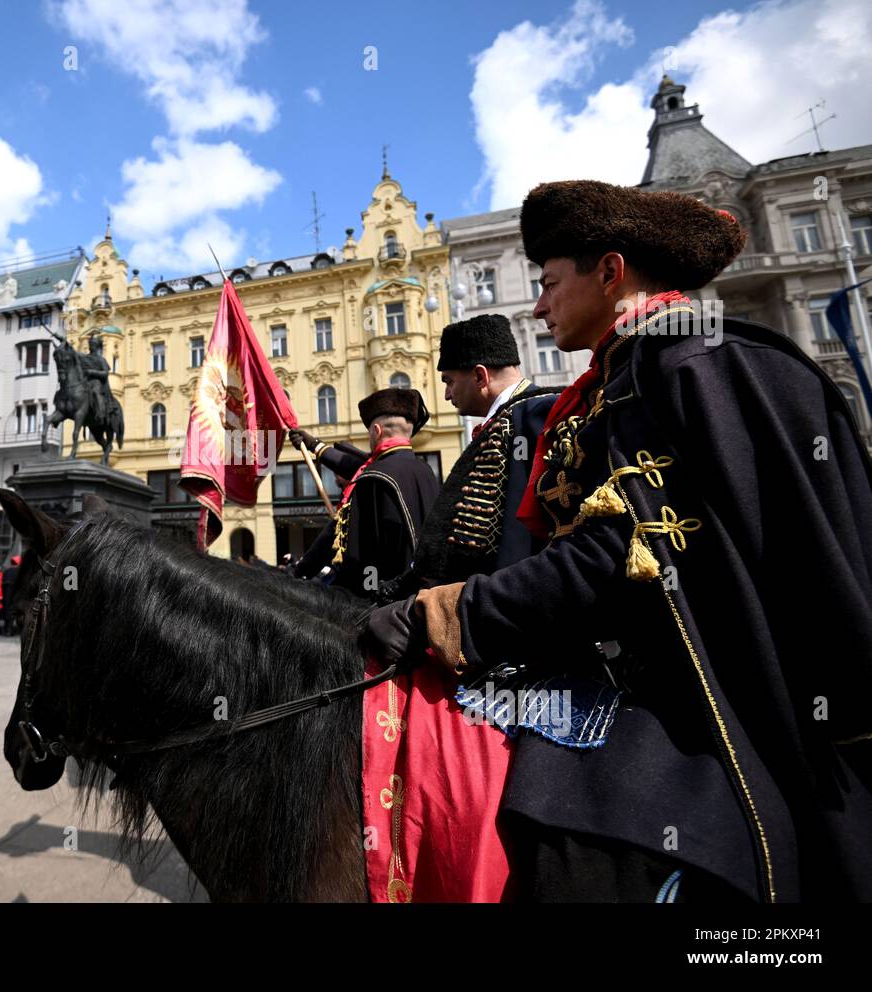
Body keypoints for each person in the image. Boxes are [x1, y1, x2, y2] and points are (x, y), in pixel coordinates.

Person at [369, 179, 872, 902]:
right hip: (666, 675)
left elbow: (618, 556)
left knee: (566, 834)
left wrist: (445, 614)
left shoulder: (681, 365)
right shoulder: (637, 371)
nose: (537, 306)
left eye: (547, 284)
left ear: (609, 273)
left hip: (737, 708)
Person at [378, 313, 561, 602]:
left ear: (479, 376)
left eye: (449, 381)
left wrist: (494, 606)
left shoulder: (536, 415)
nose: (448, 394)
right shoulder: (512, 416)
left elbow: (521, 533)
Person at [292, 387, 440, 597]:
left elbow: (363, 558)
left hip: (385, 604)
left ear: (377, 431)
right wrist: (314, 445)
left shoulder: (372, 477)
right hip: (425, 596)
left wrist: (362, 593)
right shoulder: (425, 471)